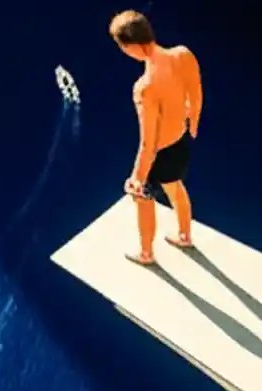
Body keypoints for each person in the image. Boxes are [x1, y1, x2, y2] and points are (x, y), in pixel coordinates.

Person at [110, 10, 203, 266]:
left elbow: (148, 143)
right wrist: (192, 123)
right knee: (176, 188)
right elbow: (195, 93)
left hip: (159, 153)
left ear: (132, 47)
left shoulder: (145, 87)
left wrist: (137, 179)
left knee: (143, 200)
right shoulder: (182, 54)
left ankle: (146, 253)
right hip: (181, 142)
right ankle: (184, 235)